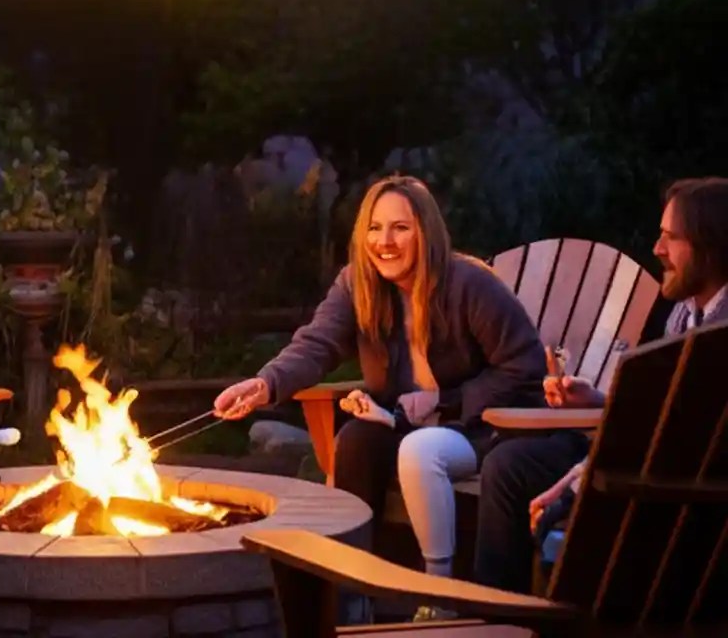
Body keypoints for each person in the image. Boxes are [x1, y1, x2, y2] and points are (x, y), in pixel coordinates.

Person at [213, 175, 545, 621]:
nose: (384, 242)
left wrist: (445, 400)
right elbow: (318, 344)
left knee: (417, 448)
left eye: (400, 228)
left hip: (477, 428)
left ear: (425, 232)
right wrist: (265, 384)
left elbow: (524, 366)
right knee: (356, 440)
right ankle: (352, 596)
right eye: (374, 227)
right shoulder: (358, 284)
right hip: (402, 425)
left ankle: (438, 594)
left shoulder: (470, 285)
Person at [474, 176, 728, 593]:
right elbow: (665, 411)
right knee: (508, 464)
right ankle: (496, 611)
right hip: (633, 449)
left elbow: (688, 446)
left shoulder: (718, 339)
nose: (657, 249)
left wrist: (581, 477)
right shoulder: (686, 313)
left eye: (670, 238)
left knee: (537, 485)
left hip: (662, 480)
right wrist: (598, 400)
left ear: (710, 245)